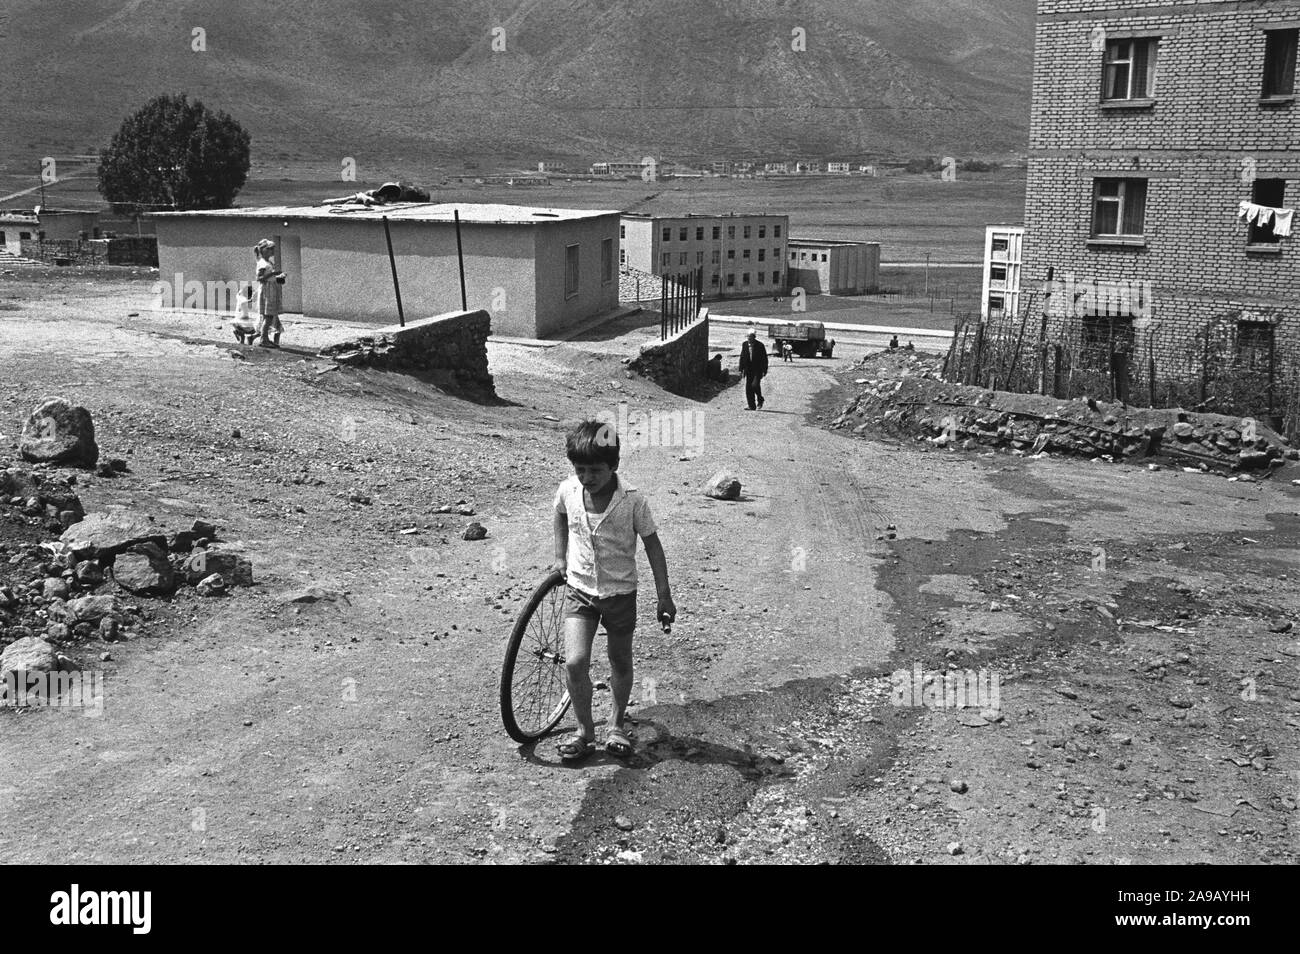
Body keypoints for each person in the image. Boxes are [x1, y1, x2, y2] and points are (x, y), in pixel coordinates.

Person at [550, 421, 676, 761]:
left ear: (614, 466)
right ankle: (584, 731)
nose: (587, 478)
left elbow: (652, 544)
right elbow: (560, 516)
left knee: (619, 660)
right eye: (580, 470)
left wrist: (664, 594)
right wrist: (561, 557)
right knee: (576, 662)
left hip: (620, 594)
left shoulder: (633, 501)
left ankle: (616, 724)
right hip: (580, 590)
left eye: (595, 470)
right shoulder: (568, 491)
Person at [253, 239, 286, 348]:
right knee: (268, 316)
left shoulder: (268, 262)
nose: (272, 251)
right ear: (264, 250)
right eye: (270, 249)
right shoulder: (262, 263)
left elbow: (269, 277)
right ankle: (263, 339)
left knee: (270, 316)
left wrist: (278, 277)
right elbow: (259, 278)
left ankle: (265, 338)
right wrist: (273, 273)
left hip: (271, 288)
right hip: (267, 290)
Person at [738, 328, 768, 409]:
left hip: (758, 369)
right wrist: (741, 369)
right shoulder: (744, 344)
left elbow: (764, 358)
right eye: (747, 337)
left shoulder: (760, 345)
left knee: (755, 385)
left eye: (750, 337)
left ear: (754, 337)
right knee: (748, 388)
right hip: (748, 369)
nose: (748, 339)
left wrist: (764, 370)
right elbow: (742, 357)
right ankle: (751, 406)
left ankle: (760, 399)